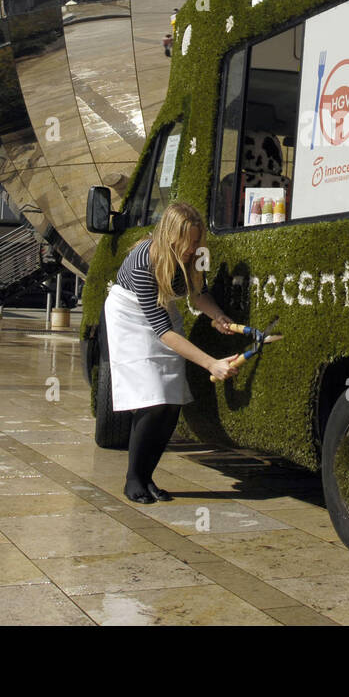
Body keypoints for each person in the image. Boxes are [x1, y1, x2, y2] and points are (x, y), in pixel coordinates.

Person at [104, 202, 238, 503]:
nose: (192, 248)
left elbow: (198, 293)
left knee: (171, 401)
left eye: (196, 241)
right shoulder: (143, 261)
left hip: (162, 310)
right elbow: (163, 332)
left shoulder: (193, 257)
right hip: (128, 315)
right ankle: (133, 479)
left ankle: (147, 476)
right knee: (153, 399)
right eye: (187, 242)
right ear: (170, 236)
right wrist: (210, 364)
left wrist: (217, 316)